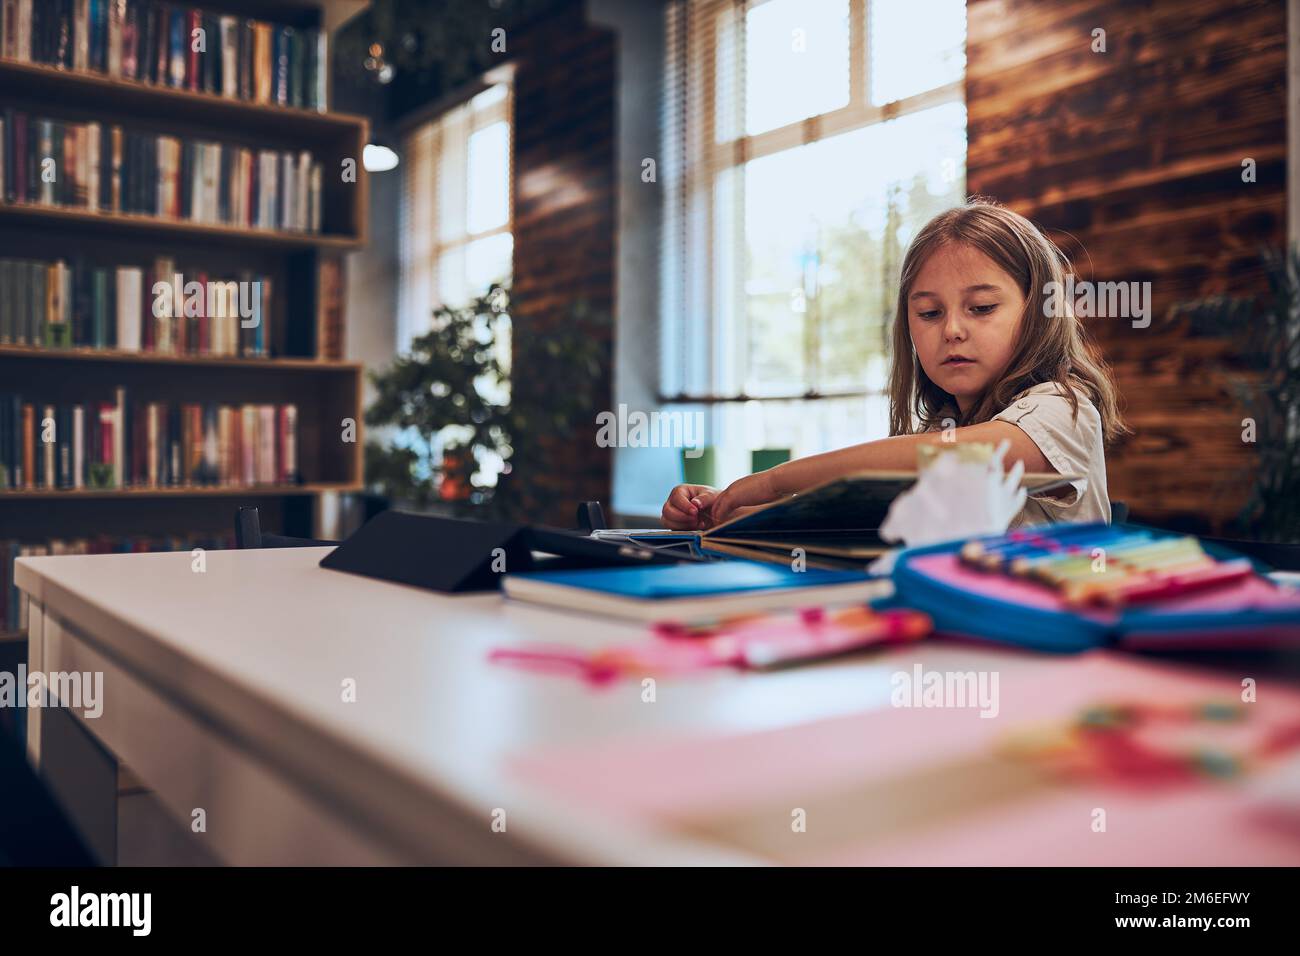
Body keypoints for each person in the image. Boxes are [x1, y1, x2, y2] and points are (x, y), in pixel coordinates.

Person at [661, 199, 1128, 531]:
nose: (952, 330)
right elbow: (842, 520)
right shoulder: (939, 427)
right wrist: (722, 511)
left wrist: (772, 480)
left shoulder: (1063, 408)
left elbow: (954, 457)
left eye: (982, 308)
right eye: (929, 313)